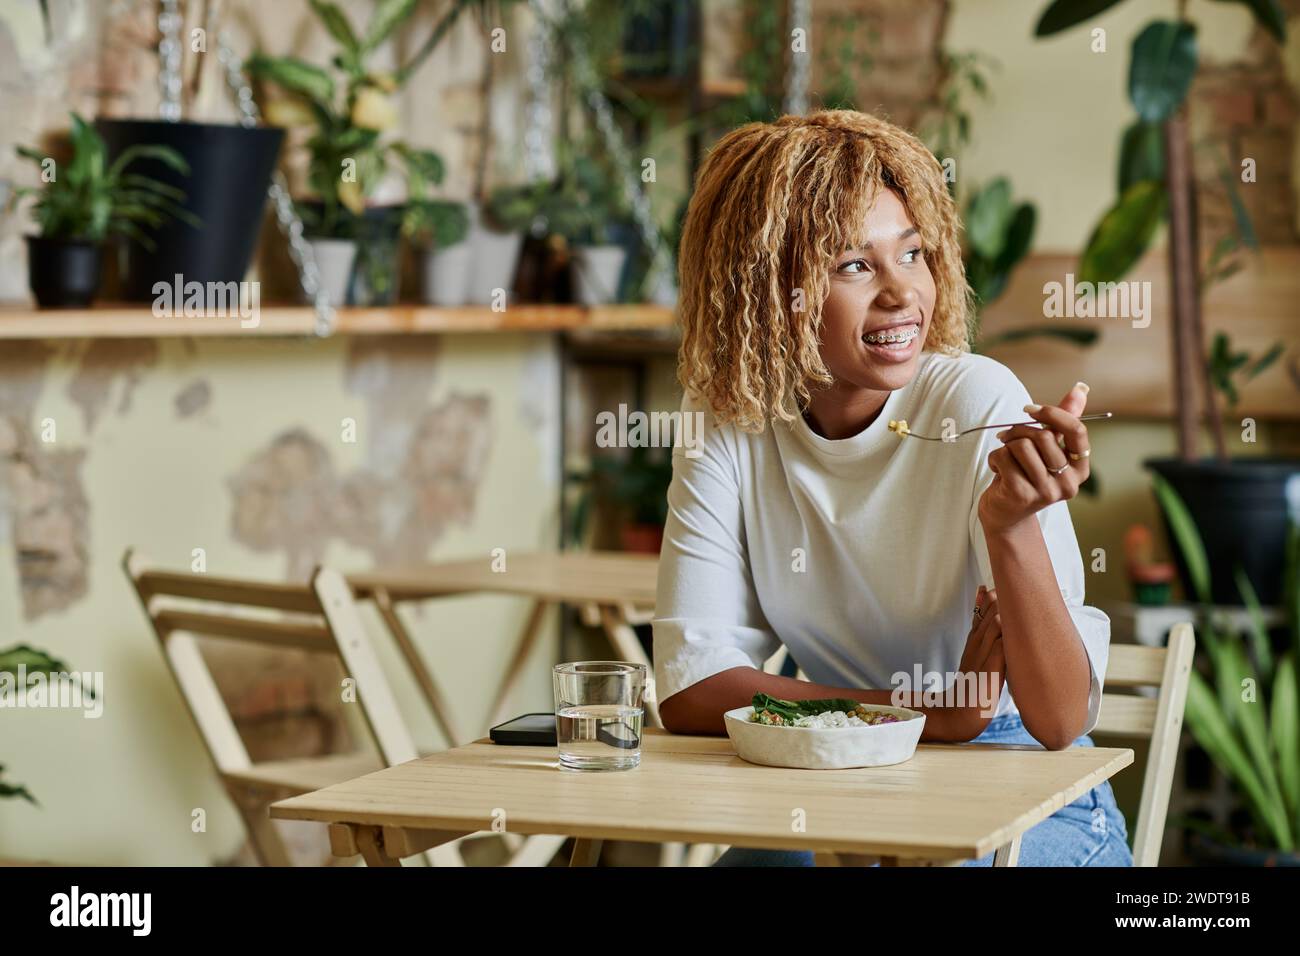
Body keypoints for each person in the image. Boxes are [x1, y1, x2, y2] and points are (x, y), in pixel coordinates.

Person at [652, 109, 1132, 867]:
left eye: (913, 253)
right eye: (853, 266)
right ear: (771, 290)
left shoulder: (976, 400)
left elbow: (1061, 718)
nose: (903, 293)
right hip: (838, 765)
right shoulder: (727, 420)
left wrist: (1010, 527)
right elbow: (690, 690)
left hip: (1022, 781)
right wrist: (922, 713)